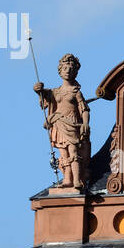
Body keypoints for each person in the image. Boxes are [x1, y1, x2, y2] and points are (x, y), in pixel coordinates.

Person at [34, 53, 90, 189]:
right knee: (63, 154)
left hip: (72, 124)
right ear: (60, 70)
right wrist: (38, 89)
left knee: (74, 152)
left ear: (75, 72)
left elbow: (84, 109)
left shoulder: (76, 91)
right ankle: (67, 179)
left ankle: (77, 180)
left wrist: (85, 124)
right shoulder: (55, 92)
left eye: (71, 69)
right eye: (65, 68)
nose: (68, 71)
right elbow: (43, 96)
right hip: (59, 124)